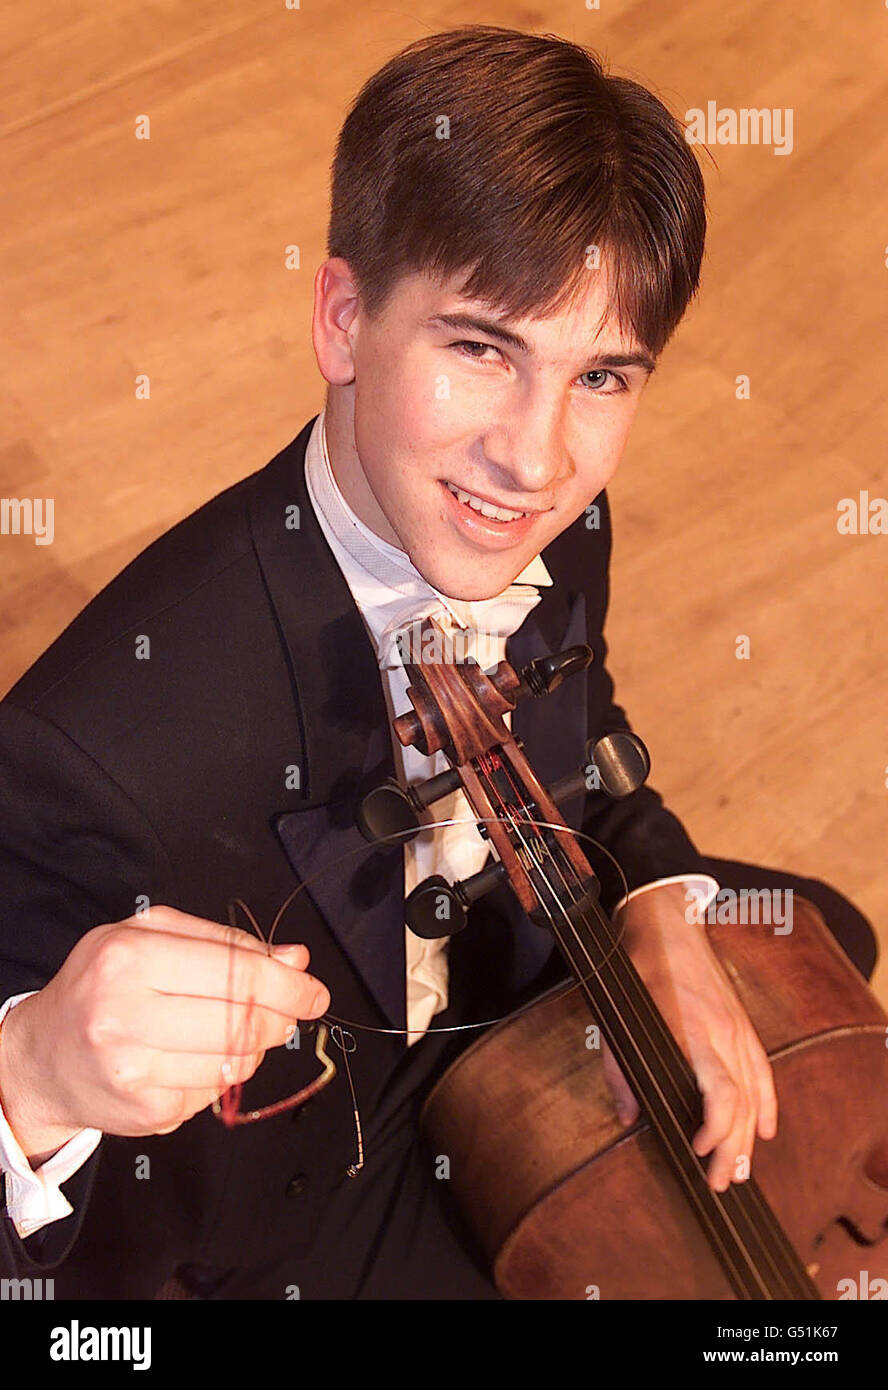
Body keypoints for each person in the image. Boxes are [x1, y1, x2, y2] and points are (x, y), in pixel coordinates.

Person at [0, 25, 876, 1301]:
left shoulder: (550, 519)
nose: (537, 458)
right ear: (345, 319)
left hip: (514, 1005)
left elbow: (587, 727)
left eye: (603, 376)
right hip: (306, 1204)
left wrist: (661, 900)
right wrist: (33, 1081)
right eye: (482, 350)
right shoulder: (93, 750)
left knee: (814, 952)